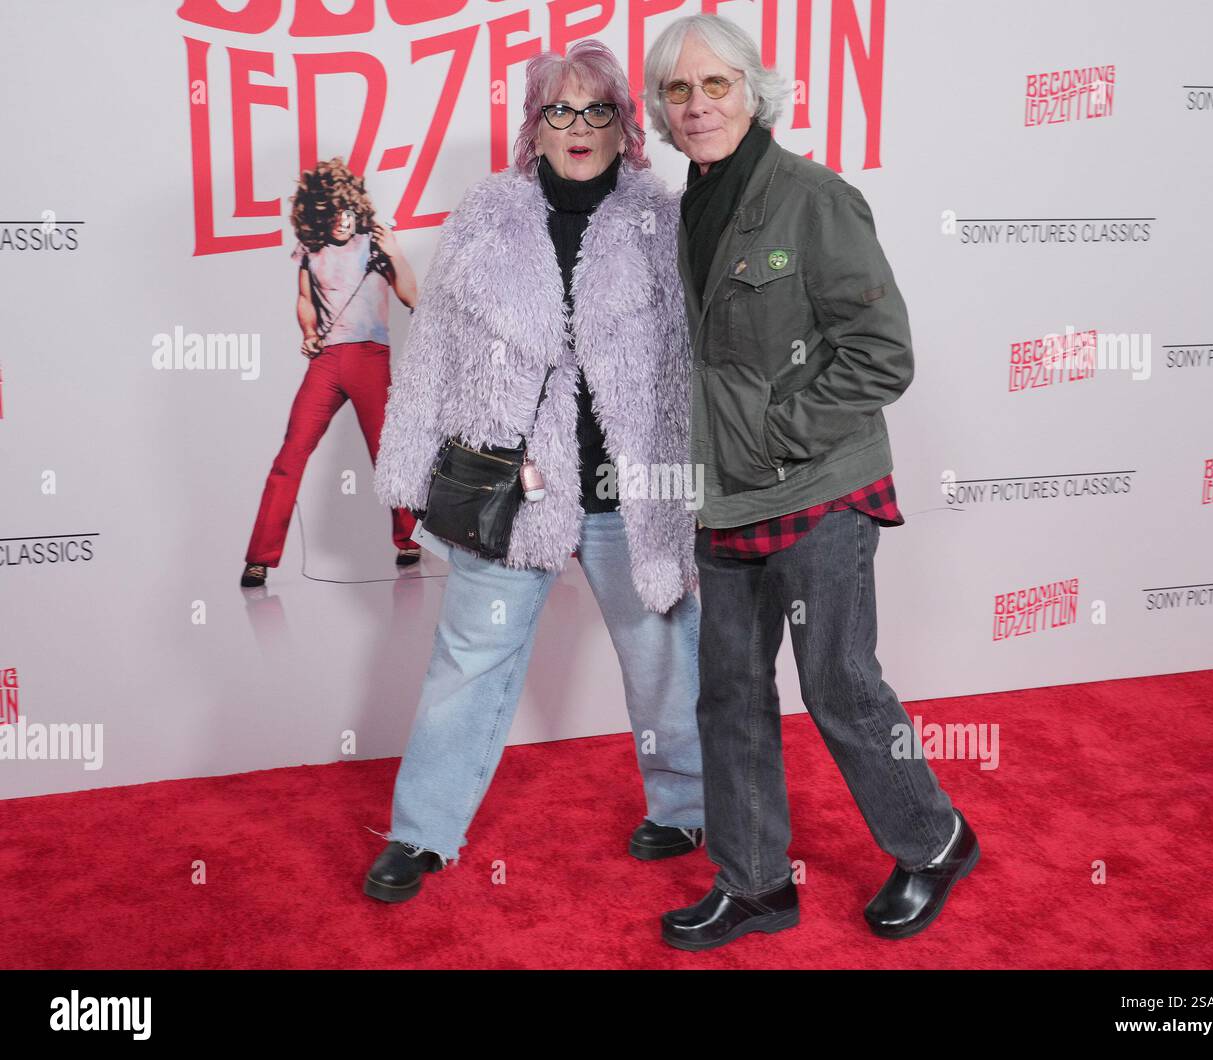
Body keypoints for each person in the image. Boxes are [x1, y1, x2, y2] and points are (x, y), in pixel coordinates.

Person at [644, 13, 979, 950]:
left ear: (753, 90)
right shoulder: (691, 206)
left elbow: (882, 355)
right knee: (729, 692)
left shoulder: (814, 198)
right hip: (727, 491)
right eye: (679, 91)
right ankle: (755, 885)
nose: (699, 105)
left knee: (838, 680)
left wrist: (777, 431)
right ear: (664, 114)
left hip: (819, 486)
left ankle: (933, 839)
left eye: (715, 85)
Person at [363, 40, 705, 903]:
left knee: (664, 651)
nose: (579, 127)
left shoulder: (664, 219)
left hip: (635, 488)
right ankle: (422, 833)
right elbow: (435, 347)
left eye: (599, 111)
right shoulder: (486, 216)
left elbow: (698, 358)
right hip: (513, 484)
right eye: (561, 110)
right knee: (468, 660)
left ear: (627, 126)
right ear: (535, 125)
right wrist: (407, 472)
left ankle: (685, 807)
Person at [241, 158, 420, 587]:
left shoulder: (375, 246)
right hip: (326, 363)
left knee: (386, 453)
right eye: (331, 212)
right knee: (290, 455)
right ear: (318, 212)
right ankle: (260, 557)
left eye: (346, 210)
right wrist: (307, 331)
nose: (340, 220)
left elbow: (413, 297)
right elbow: (305, 300)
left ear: (355, 207)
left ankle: (409, 538)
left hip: (369, 357)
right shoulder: (311, 252)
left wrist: (395, 252)